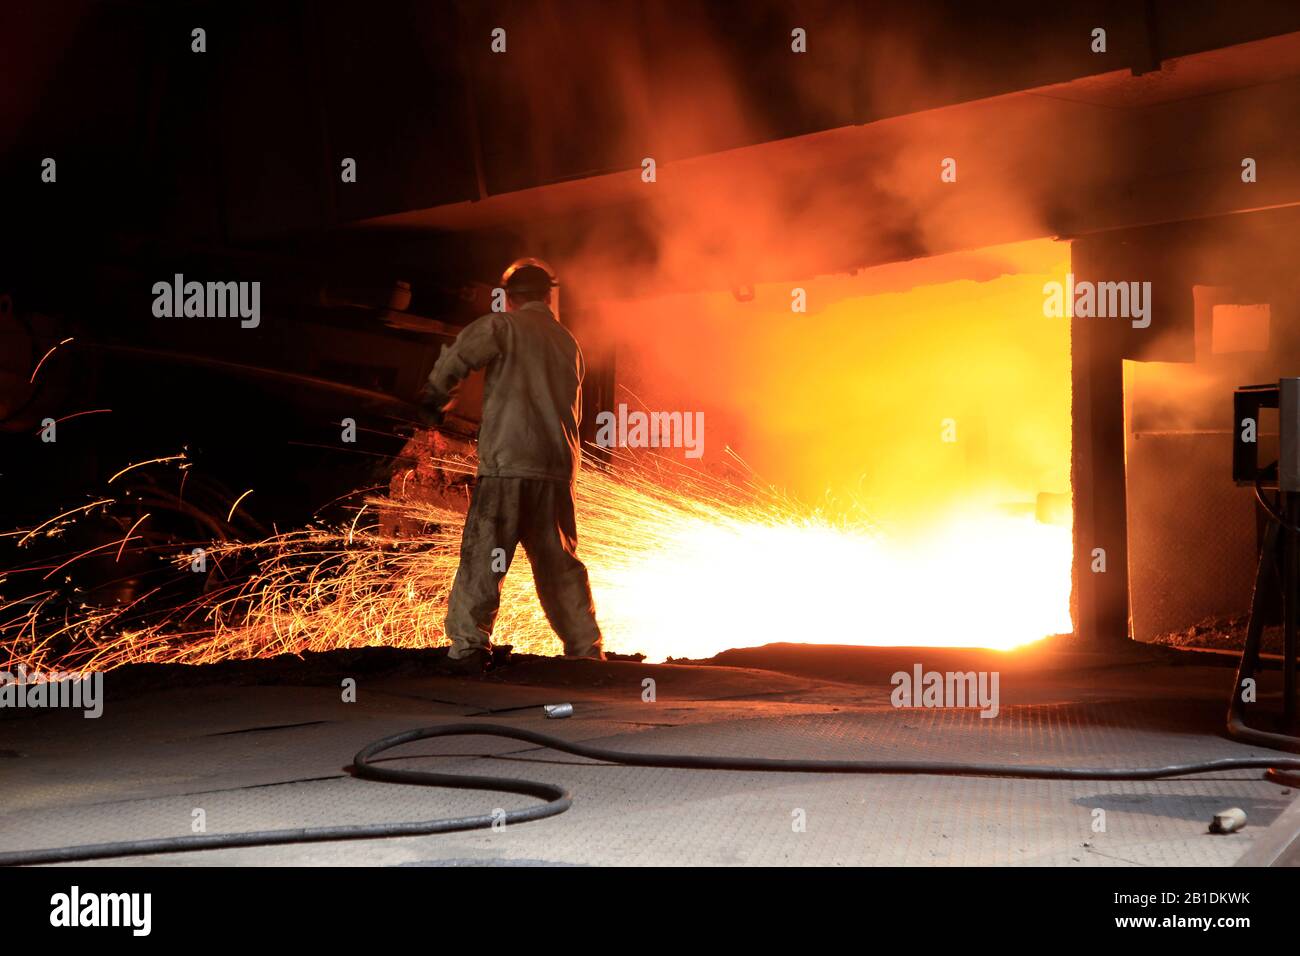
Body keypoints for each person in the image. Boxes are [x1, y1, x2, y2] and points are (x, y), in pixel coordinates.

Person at [419, 259, 605, 673]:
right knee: (559, 563)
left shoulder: (503, 327)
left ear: (510, 295)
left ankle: (469, 647)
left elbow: (459, 358)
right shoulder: (566, 341)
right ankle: (585, 650)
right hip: (557, 470)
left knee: (484, 555)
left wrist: (434, 398)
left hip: (507, 464)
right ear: (547, 295)